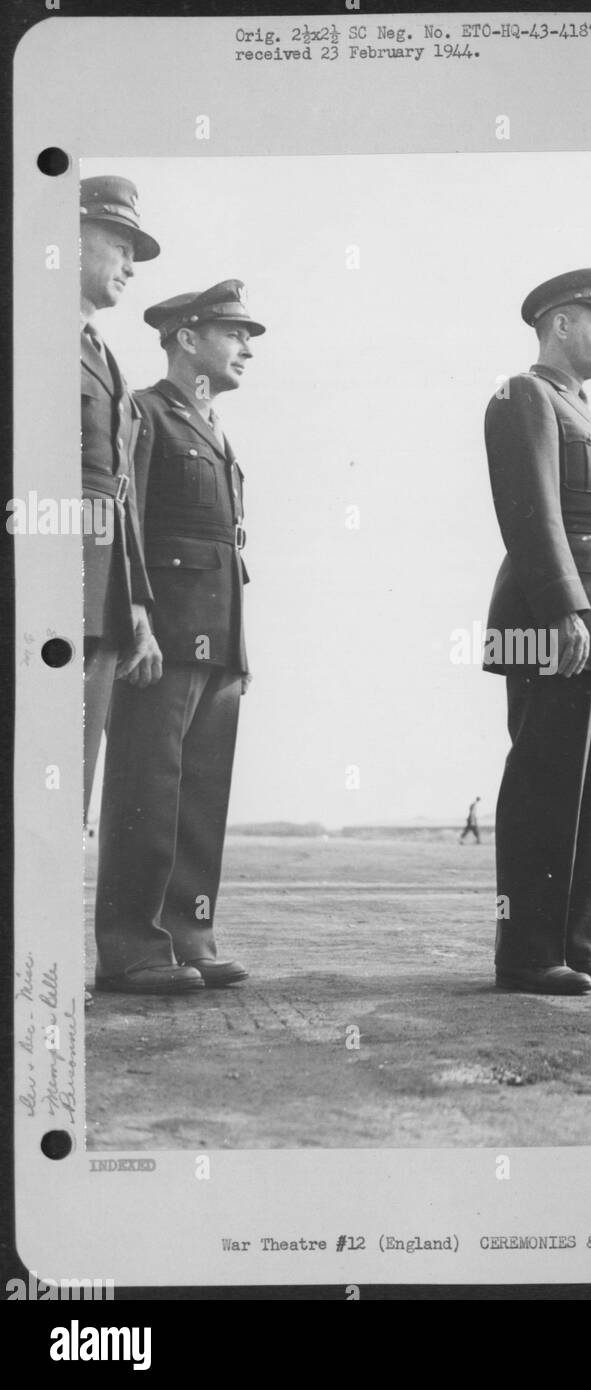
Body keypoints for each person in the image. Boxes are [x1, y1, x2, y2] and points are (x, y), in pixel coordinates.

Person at [93, 281, 264, 993]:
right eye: (234, 333)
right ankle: (131, 948)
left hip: (216, 639)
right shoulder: (148, 413)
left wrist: (237, 652)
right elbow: (126, 522)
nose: (247, 347)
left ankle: (190, 934)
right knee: (149, 788)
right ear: (187, 339)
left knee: (201, 794)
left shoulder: (216, 429)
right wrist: (136, 615)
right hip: (163, 635)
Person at [484, 268, 591, 994]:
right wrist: (562, 607)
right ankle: (525, 953)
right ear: (556, 323)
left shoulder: (586, 412)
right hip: (555, 616)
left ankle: (577, 943)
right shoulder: (523, 396)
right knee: (546, 783)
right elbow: (532, 510)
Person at [80, 176, 162, 815]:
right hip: (45, 594)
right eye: (119, 243)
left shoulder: (107, 360)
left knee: (69, 785)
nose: (131, 265)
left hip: (100, 599)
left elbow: (121, 495)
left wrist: (134, 603)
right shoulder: (27, 335)